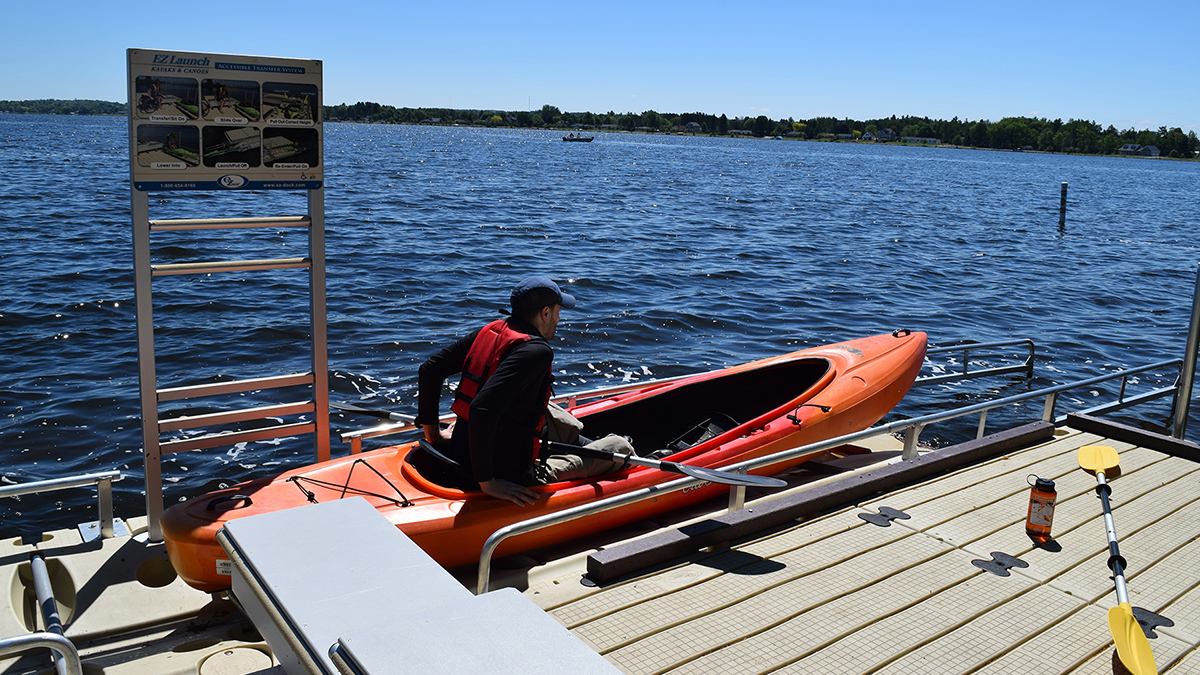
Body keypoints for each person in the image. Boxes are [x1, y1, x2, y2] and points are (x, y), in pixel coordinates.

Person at [416, 276, 627, 506]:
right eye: (558, 312)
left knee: (548, 409)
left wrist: (434, 435)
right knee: (621, 446)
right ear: (545, 313)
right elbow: (482, 409)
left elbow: (430, 370)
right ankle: (601, 446)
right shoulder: (536, 351)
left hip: (461, 449)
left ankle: (580, 441)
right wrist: (488, 483)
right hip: (509, 472)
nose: (558, 319)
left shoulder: (490, 331)